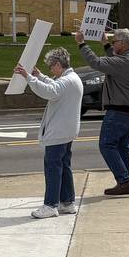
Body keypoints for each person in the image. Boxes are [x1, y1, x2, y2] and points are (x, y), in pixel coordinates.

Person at [74, 28, 129, 196]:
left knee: (106, 145)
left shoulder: (124, 62)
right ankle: (126, 181)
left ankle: (124, 181)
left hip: (119, 111)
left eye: (114, 42)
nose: (113, 44)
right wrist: (105, 43)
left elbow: (96, 63)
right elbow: (115, 59)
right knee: (122, 147)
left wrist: (81, 43)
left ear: (123, 44)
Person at [18, 46, 84, 218]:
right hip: (67, 131)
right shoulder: (72, 78)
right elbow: (55, 86)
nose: (50, 70)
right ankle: (67, 202)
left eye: (51, 66)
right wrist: (40, 76)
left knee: (53, 169)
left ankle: (50, 205)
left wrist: (29, 77)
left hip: (58, 133)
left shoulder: (66, 81)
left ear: (57, 65)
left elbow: (49, 91)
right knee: (64, 166)